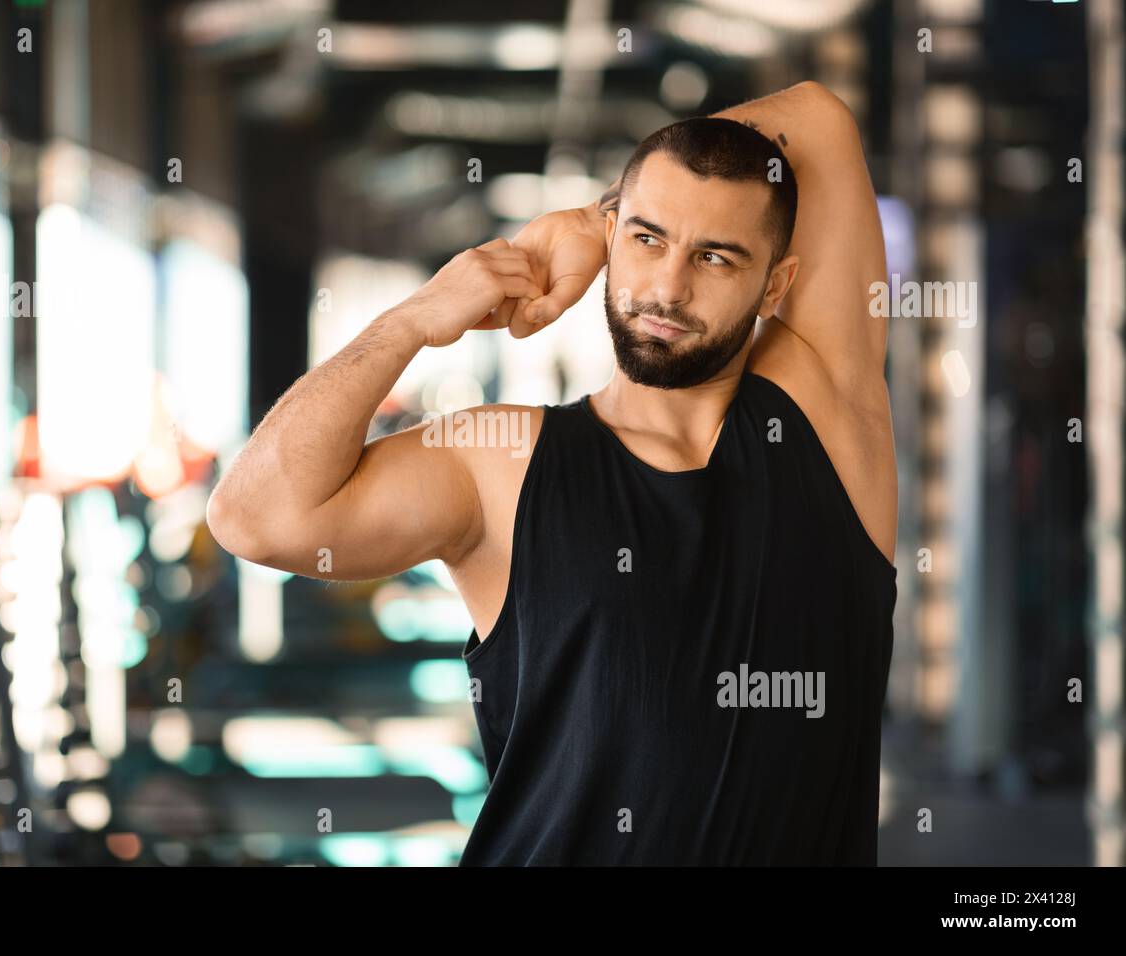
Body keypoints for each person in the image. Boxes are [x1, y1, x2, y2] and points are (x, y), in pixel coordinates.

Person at [206, 80, 898, 865]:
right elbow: (253, 517)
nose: (667, 288)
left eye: (714, 256)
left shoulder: (827, 414)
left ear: (774, 284)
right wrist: (408, 324)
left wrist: (590, 220)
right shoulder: (507, 461)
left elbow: (818, 117)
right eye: (646, 239)